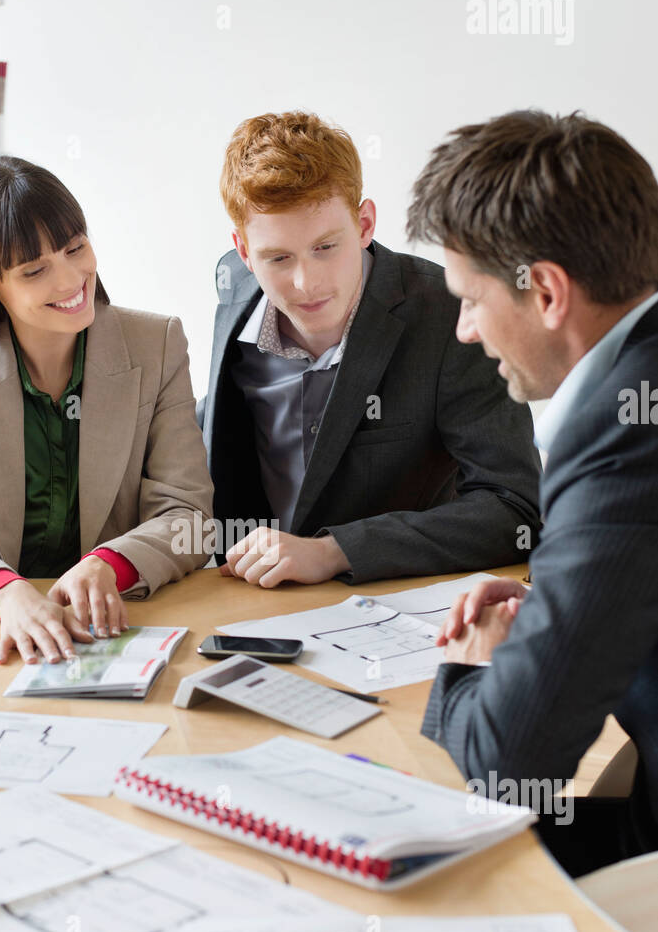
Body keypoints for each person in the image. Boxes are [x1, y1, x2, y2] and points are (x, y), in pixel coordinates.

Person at [408, 108, 658, 878]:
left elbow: (504, 768)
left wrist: (473, 666)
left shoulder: (623, 441)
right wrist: (549, 594)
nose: (462, 331)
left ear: (545, 291)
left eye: (470, 300)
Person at [198, 110, 541, 588]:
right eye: (278, 258)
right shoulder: (232, 292)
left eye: (325, 247)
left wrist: (335, 551)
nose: (305, 282)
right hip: (239, 598)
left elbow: (515, 508)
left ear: (364, 224)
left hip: (387, 606)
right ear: (243, 253)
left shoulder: (449, 315)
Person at [0, 155, 213, 666]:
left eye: (76, 247)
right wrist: (6, 593)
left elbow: (189, 516)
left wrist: (110, 564)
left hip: (116, 628)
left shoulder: (157, 345)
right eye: (35, 269)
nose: (70, 280)